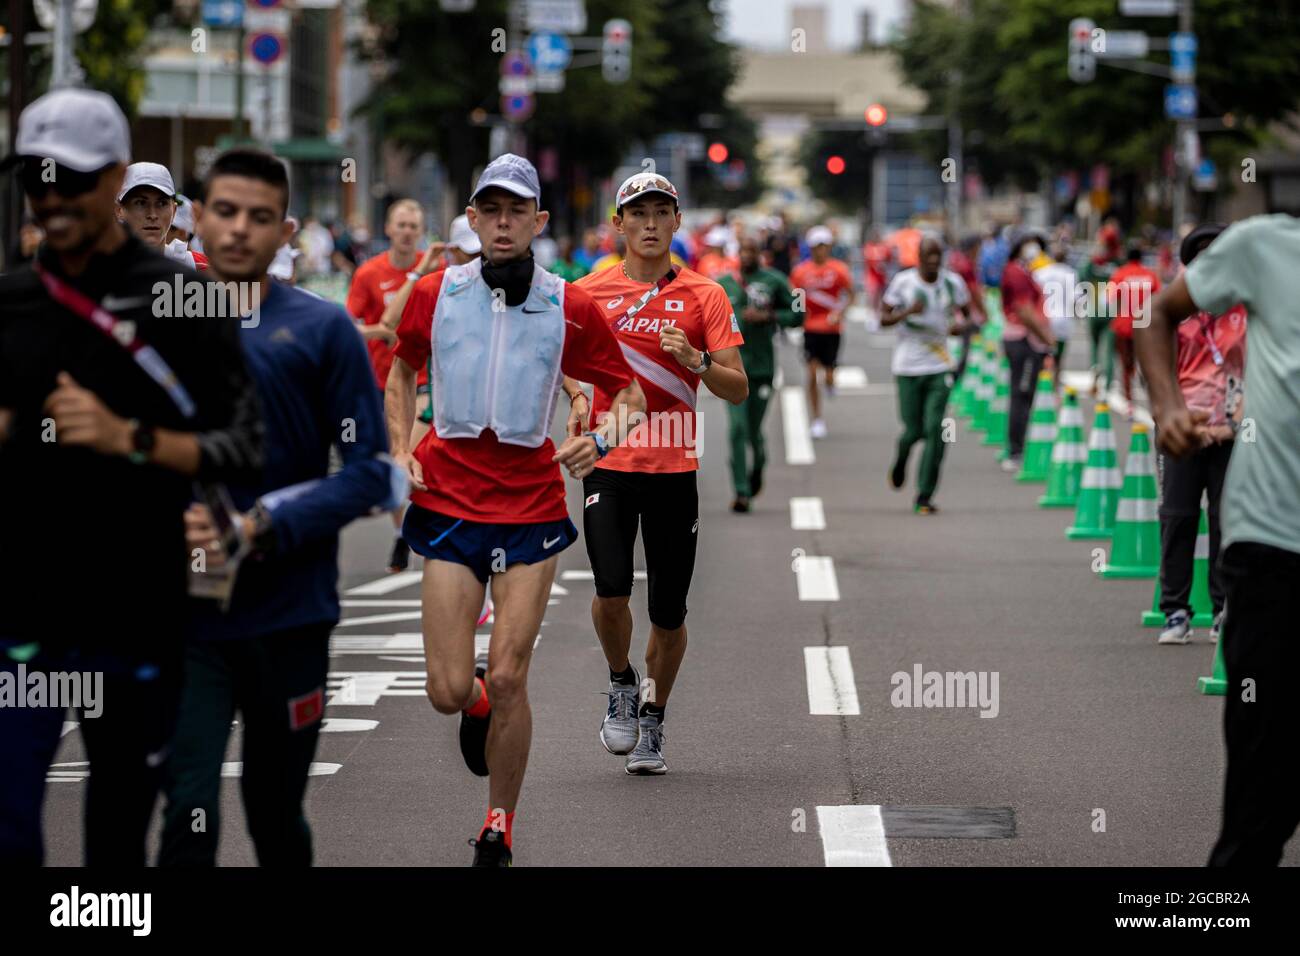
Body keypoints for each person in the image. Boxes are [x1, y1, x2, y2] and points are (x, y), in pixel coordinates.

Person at [0, 88, 264, 866]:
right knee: (10, 825)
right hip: (21, 616)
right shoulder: (11, 305)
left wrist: (132, 438)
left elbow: (244, 446)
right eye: (35, 179)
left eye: (71, 180)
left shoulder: (181, 299)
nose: (51, 197)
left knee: (115, 836)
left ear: (114, 176)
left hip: (135, 611)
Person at [387, 154, 645, 866]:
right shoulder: (434, 293)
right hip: (446, 501)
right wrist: (398, 448)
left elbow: (630, 397)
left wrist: (600, 438)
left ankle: (498, 827)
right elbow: (402, 370)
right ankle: (471, 707)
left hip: (530, 506)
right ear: (471, 220)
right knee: (447, 689)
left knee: (509, 676)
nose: (503, 223)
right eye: (490, 210)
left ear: (537, 220)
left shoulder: (570, 304)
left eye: (516, 211)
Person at [157, 148, 396, 867]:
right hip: (188, 617)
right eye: (224, 212)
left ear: (286, 232)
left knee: (273, 810)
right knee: (188, 806)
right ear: (196, 219)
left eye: (259, 218)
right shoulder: (159, 327)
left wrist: (262, 524)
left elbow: (369, 475)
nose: (238, 230)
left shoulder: (322, 332)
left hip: (291, 616)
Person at [1137, 212, 1300, 867]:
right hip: (1274, 547)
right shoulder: (1267, 246)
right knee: (1264, 789)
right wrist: (1167, 405)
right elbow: (1155, 315)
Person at [573, 170, 747, 776]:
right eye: (637, 213)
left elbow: (738, 388)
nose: (650, 224)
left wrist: (695, 359)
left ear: (677, 222)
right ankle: (621, 679)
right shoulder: (588, 291)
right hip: (611, 462)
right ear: (618, 224)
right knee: (611, 587)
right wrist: (576, 397)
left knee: (668, 613)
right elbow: (567, 363)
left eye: (661, 213)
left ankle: (653, 717)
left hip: (675, 464)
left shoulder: (706, 296)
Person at [1143, 223, 1245, 646]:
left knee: (1228, 522)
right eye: (1199, 255)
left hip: (1234, 432)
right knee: (1178, 517)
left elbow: (1260, 369)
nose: (1208, 262)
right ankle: (1176, 611)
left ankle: (1223, 610)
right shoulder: (1172, 311)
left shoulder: (1245, 308)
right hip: (1185, 431)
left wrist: (1234, 423)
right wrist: (1172, 417)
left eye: (1216, 253)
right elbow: (1155, 371)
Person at [347, 198, 439, 572]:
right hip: (379, 381)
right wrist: (380, 333)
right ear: (388, 229)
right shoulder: (369, 273)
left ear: (421, 233)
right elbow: (349, 327)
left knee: (415, 450)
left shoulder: (433, 269)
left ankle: (420, 527)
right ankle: (402, 531)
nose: (406, 232)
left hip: (420, 379)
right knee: (393, 460)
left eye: (413, 227)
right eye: (400, 225)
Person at [880, 235, 974, 514]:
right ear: (918, 258)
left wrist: (961, 326)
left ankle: (924, 494)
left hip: (940, 365)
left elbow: (969, 316)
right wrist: (907, 311)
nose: (933, 261)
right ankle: (902, 457)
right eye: (928, 256)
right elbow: (883, 319)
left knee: (937, 429)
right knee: (913, 430)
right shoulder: (903, 283)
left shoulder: (952, 283)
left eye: (938, 256)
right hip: (908, 365)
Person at [716, 235, 797, 512]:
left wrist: (771, 317)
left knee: (753, 432)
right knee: (737, 430)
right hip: (731, 370)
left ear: (760, 253)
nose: (747, 254)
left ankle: (759, 464)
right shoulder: (723, 284)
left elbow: (799, 312)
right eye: (743, 250)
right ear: (738, 252)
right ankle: (741, 491)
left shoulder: (774, 280)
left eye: (752, 250)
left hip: (762, 370)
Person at [999, 229, 1056, 472]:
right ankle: (1015, 449)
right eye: (1029, 244)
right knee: (1021, 394)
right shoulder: (1016, 272)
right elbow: (1024, 310)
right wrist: (1047, 338)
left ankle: (1019, 446)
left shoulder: (1024, 271)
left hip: (1028, 338)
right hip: (1022, 339)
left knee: (1026, 394)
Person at [790, 225, 853, 439]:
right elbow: (796, 298)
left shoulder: (839, 269)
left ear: (829, 247)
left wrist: (840, 312)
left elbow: (851, 295)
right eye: (817, 246)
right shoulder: (800, 272)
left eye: (824, 246)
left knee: (829, 372)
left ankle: (830, 380)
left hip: (833, 329)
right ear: (811, 248)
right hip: (811, 329)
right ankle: (817, 419)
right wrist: (798, 316)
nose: (820, 250)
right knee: (810, 372)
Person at [116, 162, 208, 270]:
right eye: (141, 203)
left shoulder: (201, 268)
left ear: (174, 210)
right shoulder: (97, 271)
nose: (152, 214)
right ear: (119, 210)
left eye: (162, 203)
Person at [1108, 243, 1160, 409]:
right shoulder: (1150, 275)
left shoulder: (1120, 274)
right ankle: (1149, 392)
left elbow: (1108, 298)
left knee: (1125, 363)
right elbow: (1159, 298)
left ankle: (1129, 398)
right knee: (1146, 361)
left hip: (1123, 325)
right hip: (1145, 325)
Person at [1078, 225, 1123, 397]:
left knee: (1095, 346)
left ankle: (1095, 370)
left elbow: (1081, 277)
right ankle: (1109, 384)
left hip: (1093, 308)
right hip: (1111, 311)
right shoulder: (1118, 262)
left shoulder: (1093, 262)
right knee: (1110, 350)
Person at [1034, 242, 1078, 393]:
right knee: (1059, 357)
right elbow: (1076, 298)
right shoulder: (1071, 274)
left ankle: (1041, 383)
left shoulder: (1041, 273)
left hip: (1045, 318)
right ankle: (1054, 384)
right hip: (1063, 319)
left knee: (1042, 353)